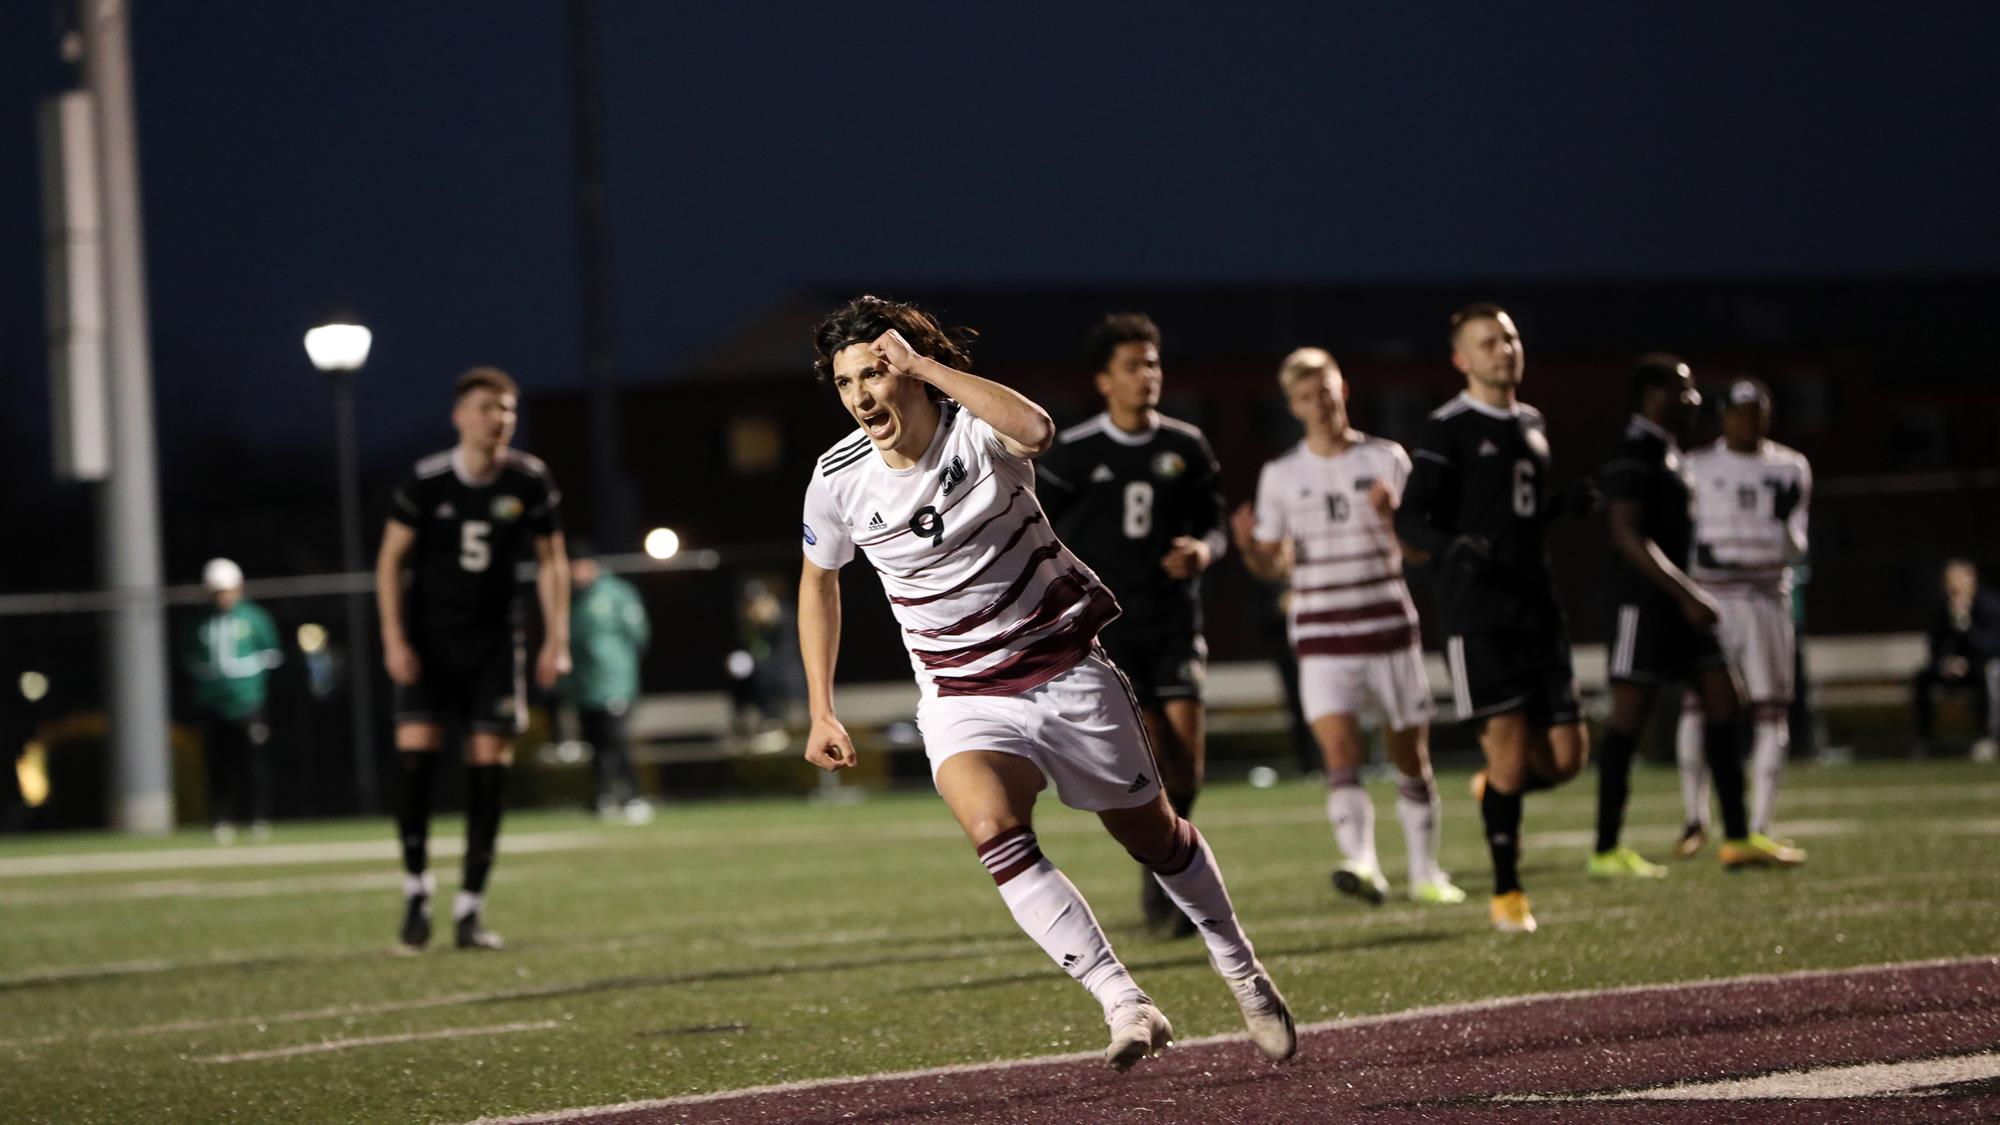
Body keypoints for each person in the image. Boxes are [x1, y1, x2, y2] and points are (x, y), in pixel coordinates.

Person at [798, 295, 1294, 1070]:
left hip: (1063, 671)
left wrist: (926, 363)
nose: (861, 395)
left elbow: (1036, 430)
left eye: (876, 372)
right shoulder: (837, 477)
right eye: (845, 381)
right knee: (992, 829)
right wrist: (820, 708)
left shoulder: (975, 429)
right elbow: (818, 582)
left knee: (1154, 837)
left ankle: (1241, 968)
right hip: (961, 695)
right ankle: (1123, 999)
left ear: (912, 372)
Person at [1232, 348, 1464, 909]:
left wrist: (1391, 516)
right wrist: (1249, 548)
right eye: (1306, 396)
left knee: (1410, 755)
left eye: (1326, 390)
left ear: (1344, 391)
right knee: (1340, 752)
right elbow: (1274, 564)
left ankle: (1425, 871)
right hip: (1320, 633)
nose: (1320, 403)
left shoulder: (1387, 458)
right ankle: (1363, 864)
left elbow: (1420, 551)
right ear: (1293, 406)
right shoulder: (1281, 474)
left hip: (1388, 626)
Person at [1394, 303, 1591, 934]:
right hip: (1477, 614)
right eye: (1488, 342)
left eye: (1509, 337)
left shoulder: (1531, 422)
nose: (1504, 349)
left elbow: (1516, 512)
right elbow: (1410, 517)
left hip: (1539, 609)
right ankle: (1508, 893)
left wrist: (1564, 505)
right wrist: (1452, 547)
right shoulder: (1448, 428)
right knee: (1507, 751)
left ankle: (1495, 793)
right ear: (1462, 359)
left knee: (1567, 758)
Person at [1036, 313, 1225, 936]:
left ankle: (1163, 861)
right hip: (1109, 630)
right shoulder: (1075, 451)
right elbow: (1038, 530)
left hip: (1175, 619)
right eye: (1133, 366)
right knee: (1153, 755)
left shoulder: (1186, 447)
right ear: (1104, 381)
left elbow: (1216, 525)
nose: (1147, 375)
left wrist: (1204, 551)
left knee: (1188, 767)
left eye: (1153, 363)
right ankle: (1166, 885)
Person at [376, 366, 570, 952]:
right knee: (415, 766)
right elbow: (389, 561)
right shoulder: (427, 480)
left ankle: (469, 909)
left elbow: (552, 560)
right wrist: (394, 639)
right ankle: (416, 890)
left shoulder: (529, 479)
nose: (498, 419)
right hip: (430, 644)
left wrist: (556, 639)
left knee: (489, 773)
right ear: (459, 416)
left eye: (507, 409)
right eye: (487, 407)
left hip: (494, 645)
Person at [1596, 356, 1802, 873]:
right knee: (1627, 721)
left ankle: (1737, 836)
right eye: (1684, 391)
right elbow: (1627, 535)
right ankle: (1606, 847)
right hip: (1646, 605)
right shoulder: (1635, 450)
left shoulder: (1670, 451)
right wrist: (1687, 592)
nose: (1694, 401)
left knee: (1724, 699)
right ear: (1654, 397)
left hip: (1683, 602)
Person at [1673, 379, 1813, 854]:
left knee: (1770, 710)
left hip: (1766, 597)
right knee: (1698, 706)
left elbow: (1797, 547)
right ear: (1724, 415)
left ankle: (1759, 823)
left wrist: (1782, 524)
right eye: (1740, 412)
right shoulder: (1695, 465)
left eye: (1758, 412)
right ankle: (1695, 817)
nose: (1749, 421)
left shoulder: (1790, 467)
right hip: (1710, 598)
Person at [182, 558, 282, 843]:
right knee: (217, 765)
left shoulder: (254, 618)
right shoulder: (199, 623)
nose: (222, 597)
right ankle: (221, 820)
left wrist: (248, 681)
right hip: (213, 705)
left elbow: (272, 654)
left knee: (252, 764)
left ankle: (257, 818)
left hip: (248, 703)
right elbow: (189, 658)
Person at [565, 539, 652, 823]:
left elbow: (639, 636)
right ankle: (603, 797)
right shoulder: (570, 597)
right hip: (584, 684)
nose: (576, 573)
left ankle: (634, 796)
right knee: (595, 743)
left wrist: (621, 668)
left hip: (615, 681)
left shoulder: (617, 593)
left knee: (616, 739)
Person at [1911, 559, 2000, 758]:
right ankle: (1926, 740)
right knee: (1922, 679)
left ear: (1972, 580)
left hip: (1981, 666)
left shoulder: (1989, 605)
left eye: (1959, 579)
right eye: (1950, 580)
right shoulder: (1943, 608)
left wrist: (1963, 622)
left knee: (1988, 674)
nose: (1955, 586)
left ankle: (1986, 737)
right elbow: (1935, 646)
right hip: (1953, 669)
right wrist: (1946, 662)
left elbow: (1989, 647)